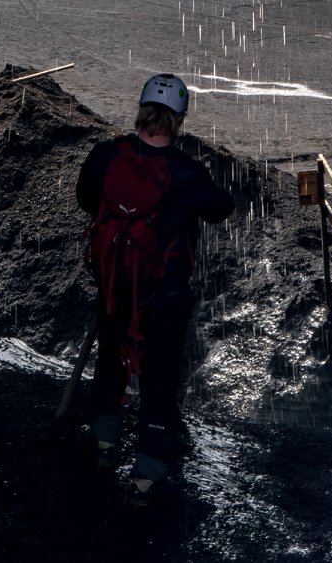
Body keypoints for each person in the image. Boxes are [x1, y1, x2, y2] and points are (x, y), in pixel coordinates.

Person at [76, 73, 235, 497]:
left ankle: (104, 441)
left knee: (111, 357)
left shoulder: (106, 156)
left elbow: (86, 199)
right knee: (159, 376)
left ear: (140, 111)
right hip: (164, 292)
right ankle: (146, 471)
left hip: (114, 283)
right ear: (178, 120)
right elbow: (220, 209)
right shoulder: (186, 172)